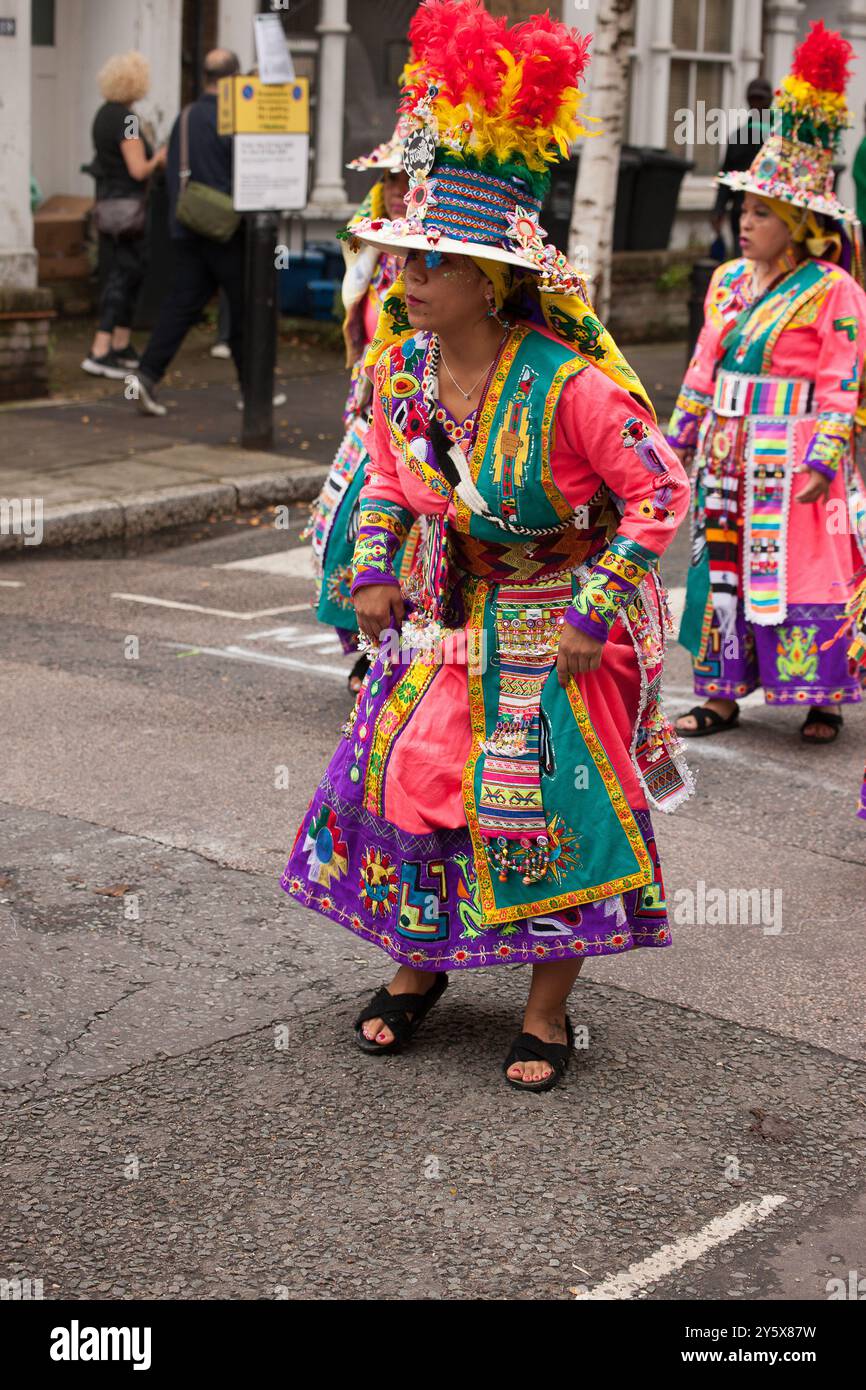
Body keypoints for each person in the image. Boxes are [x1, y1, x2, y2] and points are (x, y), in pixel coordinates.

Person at [280, 0, 693, 1093]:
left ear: (490, 279)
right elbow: (385, 476)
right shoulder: (405, 369)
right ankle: (420, 967)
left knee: (548, 807)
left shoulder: (573, 387)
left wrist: (593, 614)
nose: (404, 279)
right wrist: (371, 570)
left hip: (558, 614)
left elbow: (659, 494)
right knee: (414, 780)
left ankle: (547, 1010)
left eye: (430, 263)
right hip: (451, 613)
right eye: (407, 260)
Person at [668, 23, 866, 744]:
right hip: (726, 448)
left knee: (808, 574)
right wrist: (674, 443)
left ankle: (824, 695)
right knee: (720, 570)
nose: (743, 221)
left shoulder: (834, 289)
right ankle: (721, 695)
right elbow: (701, 369)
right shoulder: (725, 282)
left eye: (759, 212)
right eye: (743, 209)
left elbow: (842, 380)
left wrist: (825, 460)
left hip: (795, 454)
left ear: (797, 223)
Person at [305, 129, 416, 693]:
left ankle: (396, 657)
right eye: (389, 178)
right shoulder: (370, 253)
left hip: (425, 427)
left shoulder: (432, 263)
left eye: (408, 178)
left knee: (412, 547)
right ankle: (373, 650)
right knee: (341, 532)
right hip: (372, 421)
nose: (396, 189)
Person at [127, 48, 243, 417]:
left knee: (181, 305)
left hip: (188, 225)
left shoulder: (185, 116)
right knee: (244, 308)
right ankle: (255, 391)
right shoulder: (233, 119)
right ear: (232, 80)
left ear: (205, 76)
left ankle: (145, 376)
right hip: (226, 230)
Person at [81, 51, 166, 379]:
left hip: (108, 204)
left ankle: (120, 344)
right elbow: (137, 169)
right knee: (124, 273)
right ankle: (100, 350)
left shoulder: (103, 115)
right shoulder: (127, 120)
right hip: (128, 208)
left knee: (129, 271)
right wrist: (158, 158)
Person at [712, 78, 773, 258]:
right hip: (740, 210)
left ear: (770, 101)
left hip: (771, 213)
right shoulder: (738, 136)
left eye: (760, 99)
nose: (756, 104)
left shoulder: (779, 136)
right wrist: (718, 209)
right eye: (753, 99)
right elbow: (726, 175)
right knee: (742, 261)